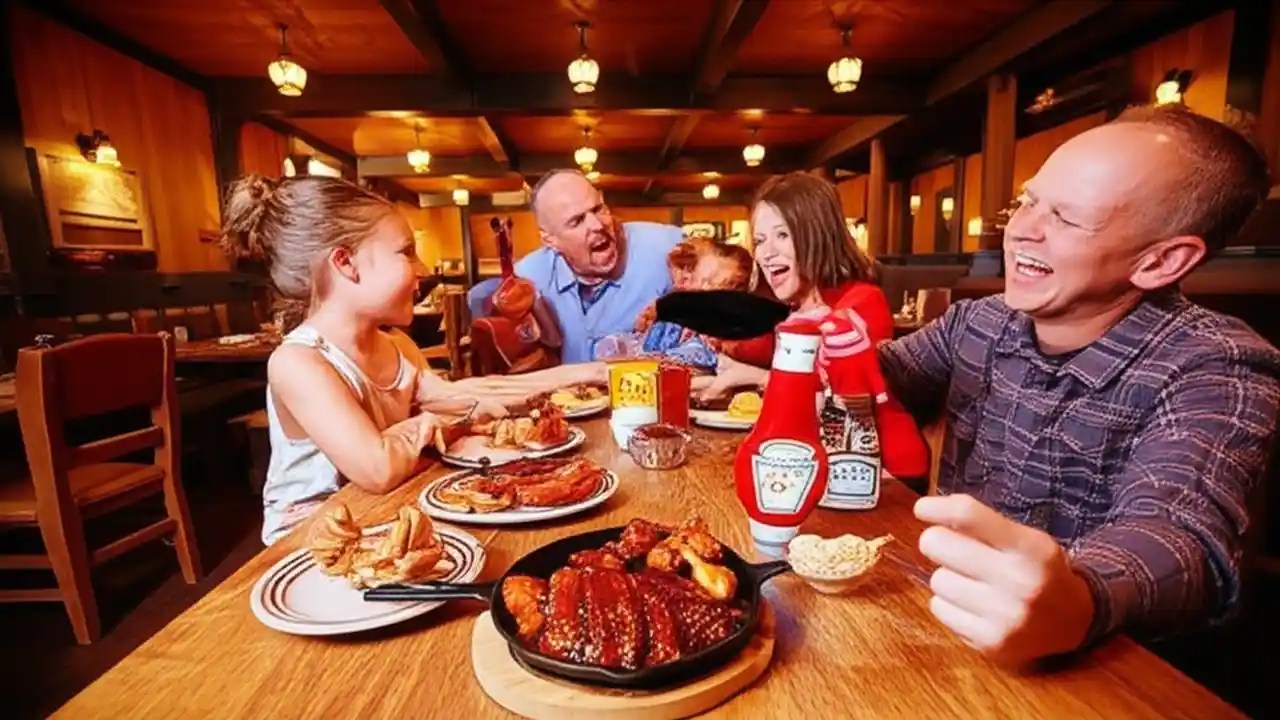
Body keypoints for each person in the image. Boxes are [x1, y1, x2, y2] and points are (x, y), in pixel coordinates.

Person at [881, 106, 1280, 663]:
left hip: (1096, 668)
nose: (1020, 229)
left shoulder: (1217, 364)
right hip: (936, 619)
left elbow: (1182, 539)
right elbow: (885, 380)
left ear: (1162, 260)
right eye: (1026, 201)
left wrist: (1080, 593)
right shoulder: (982, 321)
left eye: (1066, 218)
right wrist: (815, 351)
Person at [220, 175, 601, 545]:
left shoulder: (396, 344)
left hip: (385, 519)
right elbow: (378, 467)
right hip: (314, 546)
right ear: (345, 263)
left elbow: (469, 394)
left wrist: (594, 372)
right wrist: (436, 420)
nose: (421, 269)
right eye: (406, 251)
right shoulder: (298, 362)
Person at [695, 172, 930, 479]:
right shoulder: (794, 311)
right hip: (825, 469)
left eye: (782, 235)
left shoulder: (861, 303)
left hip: (883, 477)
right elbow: (761, 348)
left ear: (816, 234)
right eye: (760, 240)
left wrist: (750, 376)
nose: (766, 254)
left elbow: (832, 393)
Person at [484, 169, 684, 364]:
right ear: (550, 239)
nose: (597, 225)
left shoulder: (666, 247)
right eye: (577, 221)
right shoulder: (529, 278)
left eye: (598, 209)